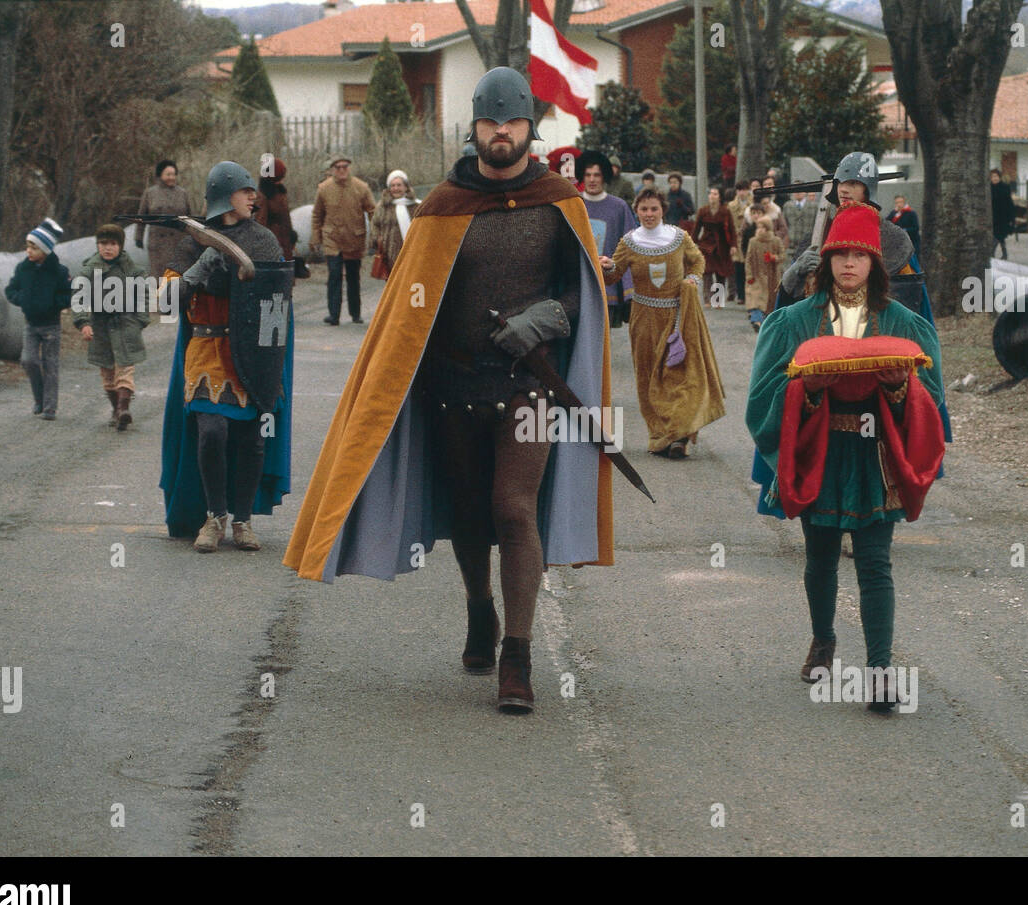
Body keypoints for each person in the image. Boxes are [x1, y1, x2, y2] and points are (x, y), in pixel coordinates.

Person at [284, 67, 614, 715]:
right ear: (476, 128)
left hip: (530, 384)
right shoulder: (441, 206)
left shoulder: (558, 201)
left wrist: (542, 319)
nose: (501, 132)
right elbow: (411, 303)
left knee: (513, 507)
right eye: (490, 122)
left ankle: (516, 657)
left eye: (512, 122)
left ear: (529, 128)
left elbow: (583, 293)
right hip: (455, 385)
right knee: (469, 512)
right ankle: (479, 610)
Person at [746, 202, 945, 713]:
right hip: (821, 453)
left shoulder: (903, 323)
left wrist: (902, 392)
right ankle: (824, 640)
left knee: (876, 563)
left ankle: (880, 671)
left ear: (876, 264)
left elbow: (935, 397)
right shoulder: (792, 322)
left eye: (860, 254)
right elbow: (761, 399)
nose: (849, 263)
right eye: (840, 254)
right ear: (826, 260)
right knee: (821, 556)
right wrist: (806, 393)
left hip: (877, 454)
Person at [776, 152, 952, 467]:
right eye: (843, 181)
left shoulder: (894, 240)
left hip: (874, 357)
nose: (845, 188)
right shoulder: (817, 232)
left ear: (868, 190)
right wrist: (793, 274)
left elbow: (912, 303)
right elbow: (789, 307)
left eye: (855, 183)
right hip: (820, 354)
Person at [159, 161, 293, 554]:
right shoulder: (194, 240)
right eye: (246, 190)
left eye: (254, 190)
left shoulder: (263, 239)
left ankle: (243, 520)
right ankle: (214, 516)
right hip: (206, 349)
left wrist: (270, 362)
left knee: (252, 439)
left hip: (249, 353)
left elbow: (277, 303)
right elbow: (166, 301)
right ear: (224, 195)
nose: (254, 197)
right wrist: (199, 269)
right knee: (212, 432)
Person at [599, 188, 726, 459]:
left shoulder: (679, 238)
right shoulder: (629, 241)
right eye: (643, 209)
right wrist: (606, 266)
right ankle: (659, 435)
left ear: (662, 210)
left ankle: (679, 435)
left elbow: (697, 261)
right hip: (643, 318)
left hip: (677, 316)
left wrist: (692, 279)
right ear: (636, 210)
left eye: (653, 208)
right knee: (648, 378)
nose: (648, 214)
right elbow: (614, 276)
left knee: (679, 376)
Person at [71, 224, 149, 430]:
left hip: (125, 324)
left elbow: (143, 295)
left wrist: (140, 320)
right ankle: (115, 408)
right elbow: (78, 297)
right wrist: (83, 322)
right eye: (103, 243)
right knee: (107, 372)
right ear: (97, 245)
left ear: (121, 246)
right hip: (100, 326)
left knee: (125, 369)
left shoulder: (130, 268)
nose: (108, 248)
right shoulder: (89, 270)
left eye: (113, 244)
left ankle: (124, 409)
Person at [5, 218, 70, 420]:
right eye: (28, 246)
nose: (29, 251)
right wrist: (22, 299)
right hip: (31, 325)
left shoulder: (59, 272)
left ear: (45, 250)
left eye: (34, 247)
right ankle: (39, 398)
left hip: (51, 326)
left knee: (51, 366)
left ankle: (50, 407)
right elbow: (10, 290)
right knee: (28, 360)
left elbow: (68, 295)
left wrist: (54, 303)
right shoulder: (23, 269)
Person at [310, 154, 376, 324]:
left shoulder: (361, 187)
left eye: (344, 167)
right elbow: (317, 215)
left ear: (349, 168)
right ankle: (334, 315)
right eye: (338, 167)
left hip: (354, 238)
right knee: (334, 276)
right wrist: (315, 238)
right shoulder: (324, 189)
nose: (341, 170)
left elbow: (372, 211)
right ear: (332, 170)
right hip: (332, 239)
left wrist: (375, 236)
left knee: (353, 277)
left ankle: (355, 313)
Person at [580, 149, 637, 328]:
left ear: (604, 177)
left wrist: (629, 287)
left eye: (597, 175)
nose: (592, 179)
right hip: (578, 285)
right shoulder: (573, 204)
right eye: (588, 174)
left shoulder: (619, 207)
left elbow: (631, 247)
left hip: (608, 285)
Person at [135, 160, 195, 283]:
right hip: (157, 243)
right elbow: (141, 217)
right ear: (160, 175)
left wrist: (194, 238)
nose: (171, 177)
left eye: (173, 174)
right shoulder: (150, 193)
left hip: (178, 242)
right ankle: (158, 301)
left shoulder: (182, 193)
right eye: (168, 174)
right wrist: (138, 237)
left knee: (177, 276)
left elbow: (191, 218)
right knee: (158, 278)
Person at [256, 158, 303, 276]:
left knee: (286, 277)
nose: (283, 179)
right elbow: (260, 222)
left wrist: (292, 234)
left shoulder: (280, 192)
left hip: (286, 242)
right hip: (273, 243)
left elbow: (286, 217)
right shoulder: (263, 196)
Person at [369, 169, 420, 274]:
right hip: (390, 256)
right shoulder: (382, 207)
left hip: (414, 253)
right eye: (393, 186)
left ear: (406, 187)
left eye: (399, 185)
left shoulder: (416, 205)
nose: (396, 188)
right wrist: (378, 240)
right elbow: (375, 225)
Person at [694, 185, 735, 306]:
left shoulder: (725, 211)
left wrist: (733, 245)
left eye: (715, 194)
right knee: (706, 273)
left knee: (720, 274)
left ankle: (717, 300)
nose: (712, 196)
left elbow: (732, 229)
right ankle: (707, 299)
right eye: (710, 193)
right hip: (706, 244)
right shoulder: (703, 210)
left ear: (720, 197)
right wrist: (692, 243)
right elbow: (696, 228)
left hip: (722, 245)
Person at [744, 215, 785, 332]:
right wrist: (749, 275)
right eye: (758, 227)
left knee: (769, 303)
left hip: (772, 276)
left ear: (768, 228)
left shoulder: (776, 241)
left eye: (762, 227)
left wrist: (774, 257)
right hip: (757, 276)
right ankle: (757, 321)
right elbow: (749, 259)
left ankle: (765, 322)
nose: (759, 230)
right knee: (756, 300)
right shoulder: (753, 241)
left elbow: (783, 256)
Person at [726, 180, 755, 304]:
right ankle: (740, 295)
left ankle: (750, 294)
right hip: (736, 239)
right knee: (738, 268)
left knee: (750, 268)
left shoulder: (753, 204)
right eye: (739, 190)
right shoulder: (731, 205)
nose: (742, 193)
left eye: (744, 190)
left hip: (750, 238)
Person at [989, 169, 1014, 260]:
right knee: (999, 236)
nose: (994, 178)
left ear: (999, 177)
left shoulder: (1005, 187)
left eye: (996, 176)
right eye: (992, 177)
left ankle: (992, 253)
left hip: (1003, 216)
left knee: (998, 235)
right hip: (993, 216)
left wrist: (1011, 218)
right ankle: (1004, 254)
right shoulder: (989, 188)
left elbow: (1009, 203)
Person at [783, 190, 812, 261]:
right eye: (796, 191)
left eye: (800, 190)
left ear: (805, 192)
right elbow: (784, 225)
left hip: (807, 246)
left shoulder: (813, 206)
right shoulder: (787, 206)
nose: (798, 193)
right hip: (791, 246)